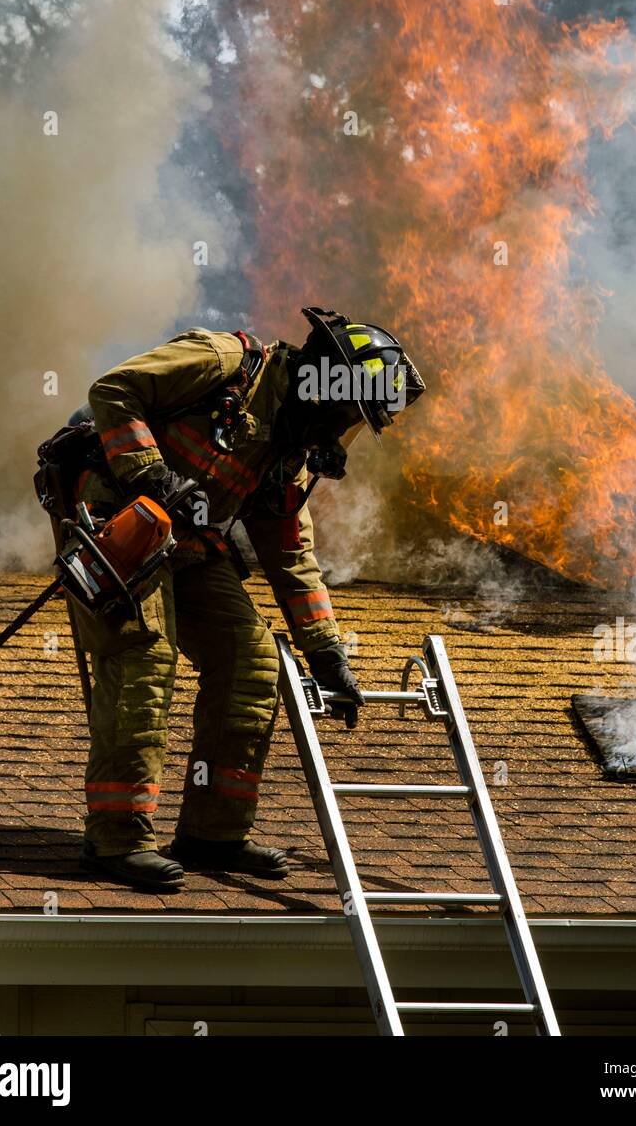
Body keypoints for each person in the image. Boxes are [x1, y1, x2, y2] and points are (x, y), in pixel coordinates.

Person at [67, 307, 425, 891]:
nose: (344, 433)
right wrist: (152, 475)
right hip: (120, 526)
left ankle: (214, 833)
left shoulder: (287, 448)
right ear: (324, 385)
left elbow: (288, 553)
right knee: (145, 654)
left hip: (187, 545)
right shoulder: (225, 362)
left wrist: (327, 654)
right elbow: (114, 389)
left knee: (253, 662)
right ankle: (116, 839)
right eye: (349, 414)